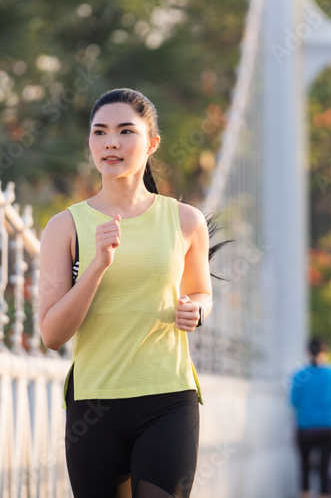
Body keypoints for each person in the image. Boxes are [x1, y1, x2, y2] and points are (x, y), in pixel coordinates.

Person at [38, 88, 214, 498]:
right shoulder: (65, 227)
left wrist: (198, 310)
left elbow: (201, 292)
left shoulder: (186, 220)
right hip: (95, 403)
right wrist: (96, 266)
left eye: (125, 131)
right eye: (99, 132)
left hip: (168, 398)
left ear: (152, 143)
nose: (111, 142)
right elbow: (51, 335)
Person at [290, 337, 331, 498]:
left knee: (304, 468)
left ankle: (305, 494)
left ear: (307, 352)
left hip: (305, 427)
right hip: (328, 428)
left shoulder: (299, 375)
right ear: (326, 352)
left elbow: (293, 401)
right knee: (325, 469)